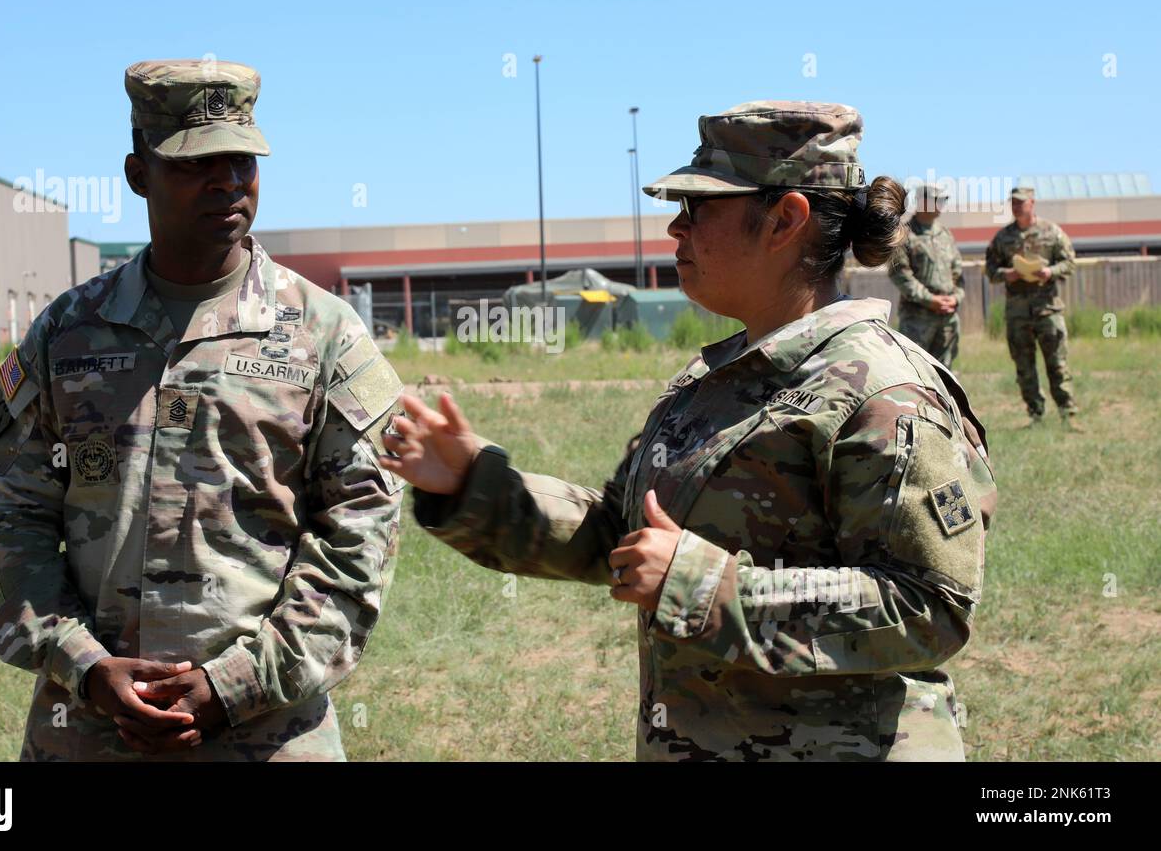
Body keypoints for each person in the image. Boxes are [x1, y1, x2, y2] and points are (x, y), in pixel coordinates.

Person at [383, 101, 997, 761]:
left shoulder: (884, 391)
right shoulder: (715, 378)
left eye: (699, 206)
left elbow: (929, 608)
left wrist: (707, 587)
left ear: (785, 219)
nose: (676, 226)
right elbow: (621, 538)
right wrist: (476, 484)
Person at [0, 59, 405, 761]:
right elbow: (8, 512)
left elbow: (361, 531)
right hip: (91, 730)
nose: (227, 181)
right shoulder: (67, 334)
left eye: (242, 161)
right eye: (196, 164)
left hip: (268, 732)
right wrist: (85, 665)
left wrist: (234, 686)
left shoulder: (324, 333)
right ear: (137, 174)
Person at [985, 185, 1079, 428]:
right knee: (1024, 367)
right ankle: (1036, 415)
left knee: (1057, 364)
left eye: (1021, 202)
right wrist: (1007, 274)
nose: (1016, 207)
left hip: (1048, 310)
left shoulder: (1052, 232)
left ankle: (1068, 415)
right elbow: (991, 270)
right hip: (1018, 313)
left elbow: (1069, 262)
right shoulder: (1003, 237)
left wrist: (1050, 271)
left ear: (1032, 203)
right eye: (1013, 202)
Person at [888, 182, 965, 367]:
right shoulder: (904, 234)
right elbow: (900, 274)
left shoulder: (945, 234)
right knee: (915, 370)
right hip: (917, 320)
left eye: (943, 200)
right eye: (937, 200)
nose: (941, 205)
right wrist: (930, 300)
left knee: (945, 372)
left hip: (947, 318)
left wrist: (955, 298)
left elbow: (957, 273)